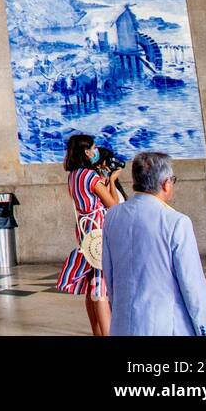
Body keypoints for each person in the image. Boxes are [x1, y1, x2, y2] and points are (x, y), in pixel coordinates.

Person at [101, 152, 206, 336]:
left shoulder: (112, 216)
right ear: (165, 183)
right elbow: (192, 285)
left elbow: (110, 274)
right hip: (166, 325)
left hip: (124, 324)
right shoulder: (175, 221)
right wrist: (204, 330)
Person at [56, 133, 121, 336]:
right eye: (93, 148)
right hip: (100, 232)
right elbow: (113, 205)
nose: (95, 151)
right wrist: (112, 180)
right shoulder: (90, 176)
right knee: (100, 286)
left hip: (86, 234)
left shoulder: (73, 175)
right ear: (86, 151)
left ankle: (97, 331)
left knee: (91, 283)